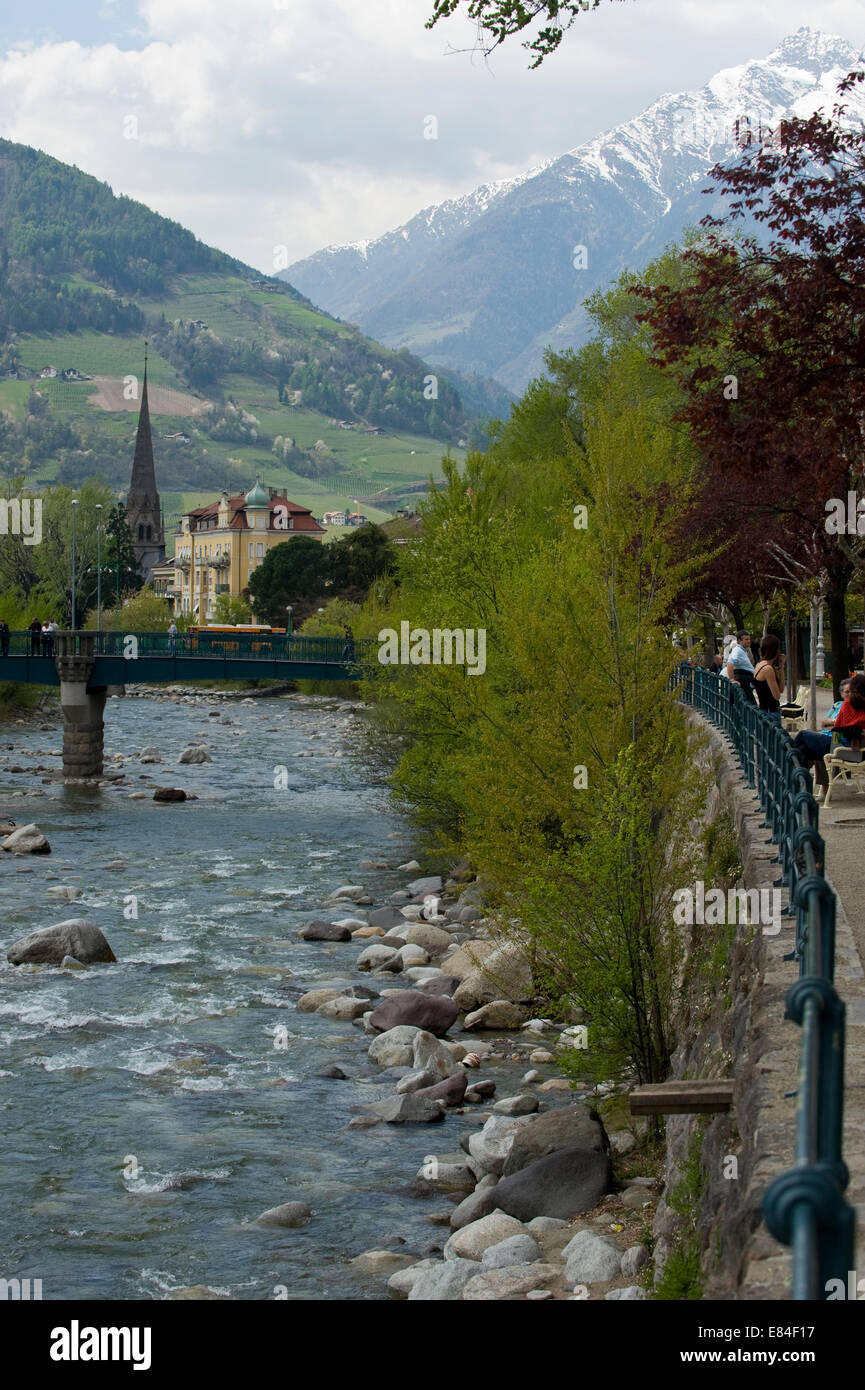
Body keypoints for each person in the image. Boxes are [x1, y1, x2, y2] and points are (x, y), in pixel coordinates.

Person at [752, 634, 785, 721]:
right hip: (770, 711)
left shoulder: (759, 664)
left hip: (764, 710)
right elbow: (777, 695)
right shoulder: (768, 669)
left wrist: (781, 667)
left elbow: (781, 689)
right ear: (775, 650)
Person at [726, 630, 756, 702]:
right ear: (739, 641)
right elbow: (730, 663)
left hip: (746, 677)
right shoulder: (737, 650)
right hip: (743, 678)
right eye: (746, 639)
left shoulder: (742, 650)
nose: (749, 641)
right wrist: (732, 679)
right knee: (750, 703)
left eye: (749, 639)